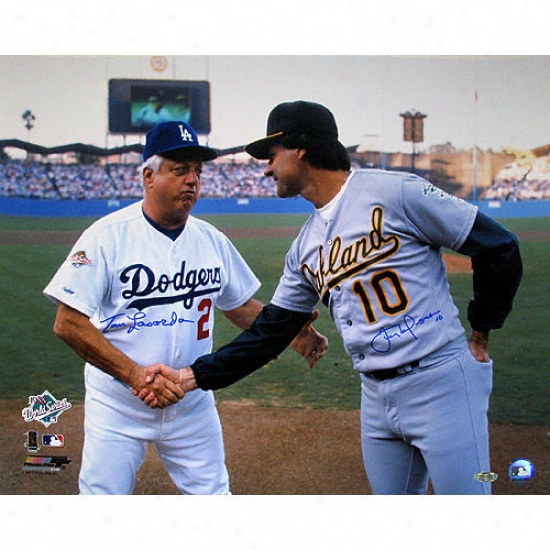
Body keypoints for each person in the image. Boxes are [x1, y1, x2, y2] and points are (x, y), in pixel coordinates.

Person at [140, 101, 523, 495]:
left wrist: (481, 332)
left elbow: (498, 247)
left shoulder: (396, 192)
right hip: (374, 397)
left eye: (271, 156)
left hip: (441, 382)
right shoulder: (305, 246)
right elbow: (269, 334)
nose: (267, 168)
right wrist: (191, 376)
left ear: (300, 148)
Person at [43, 119, 327, 495]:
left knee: (213, 498)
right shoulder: (107, 236)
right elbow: (68, 322)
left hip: (191, 403)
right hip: (119, 406)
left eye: (197, 171)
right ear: (148, 176)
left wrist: (294, 334)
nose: (192, 180)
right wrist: (134, 376)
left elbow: (239, 306)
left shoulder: (211, 240)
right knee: (102, 503)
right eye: (180, 170)